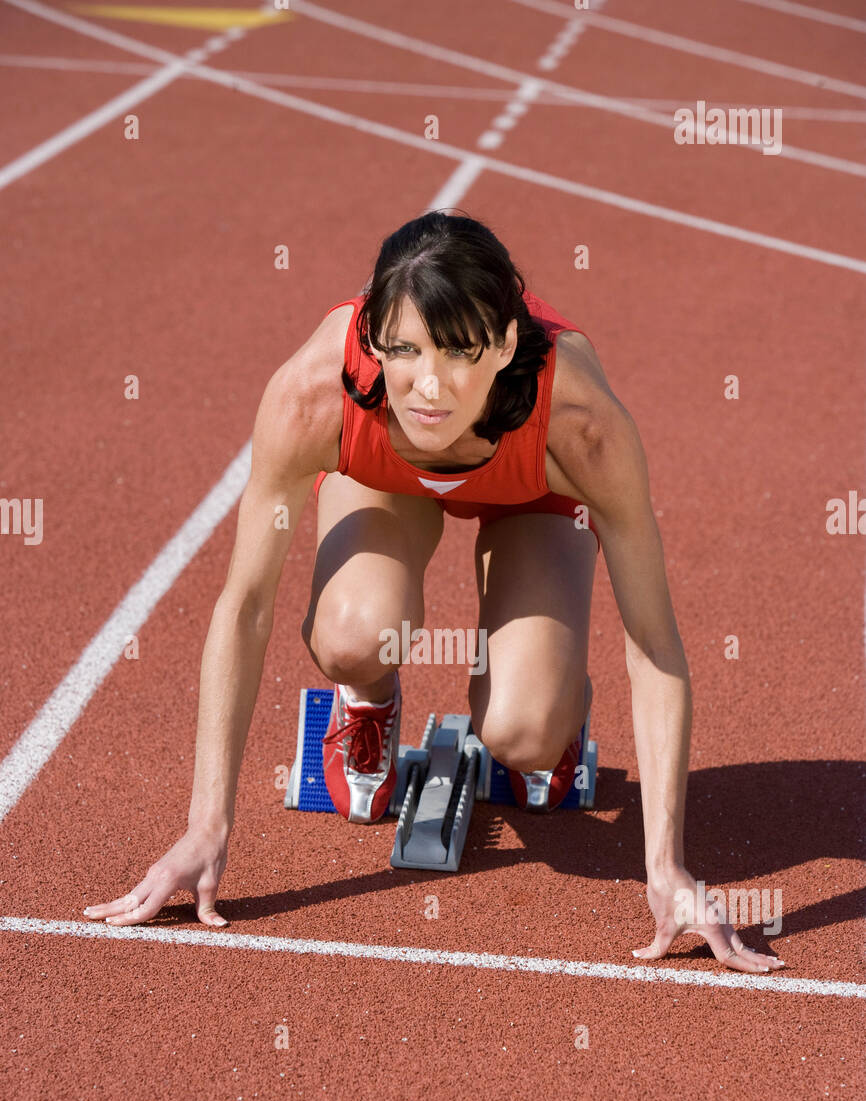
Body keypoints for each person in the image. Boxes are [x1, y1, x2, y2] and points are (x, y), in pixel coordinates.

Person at [83, 212, 784, 976]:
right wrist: (205, 826)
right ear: (374, 337)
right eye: (406, 349)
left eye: (459, 352)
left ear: (508, 343)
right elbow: (245, 604)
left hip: (532, 488)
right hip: (379, 476)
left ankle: (560, 721)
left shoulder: (580, 427)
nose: (428, 384)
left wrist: (666, 867)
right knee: (352, 634)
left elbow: (654, 640)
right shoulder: (312, 398)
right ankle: (368, 703)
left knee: (523, 735)